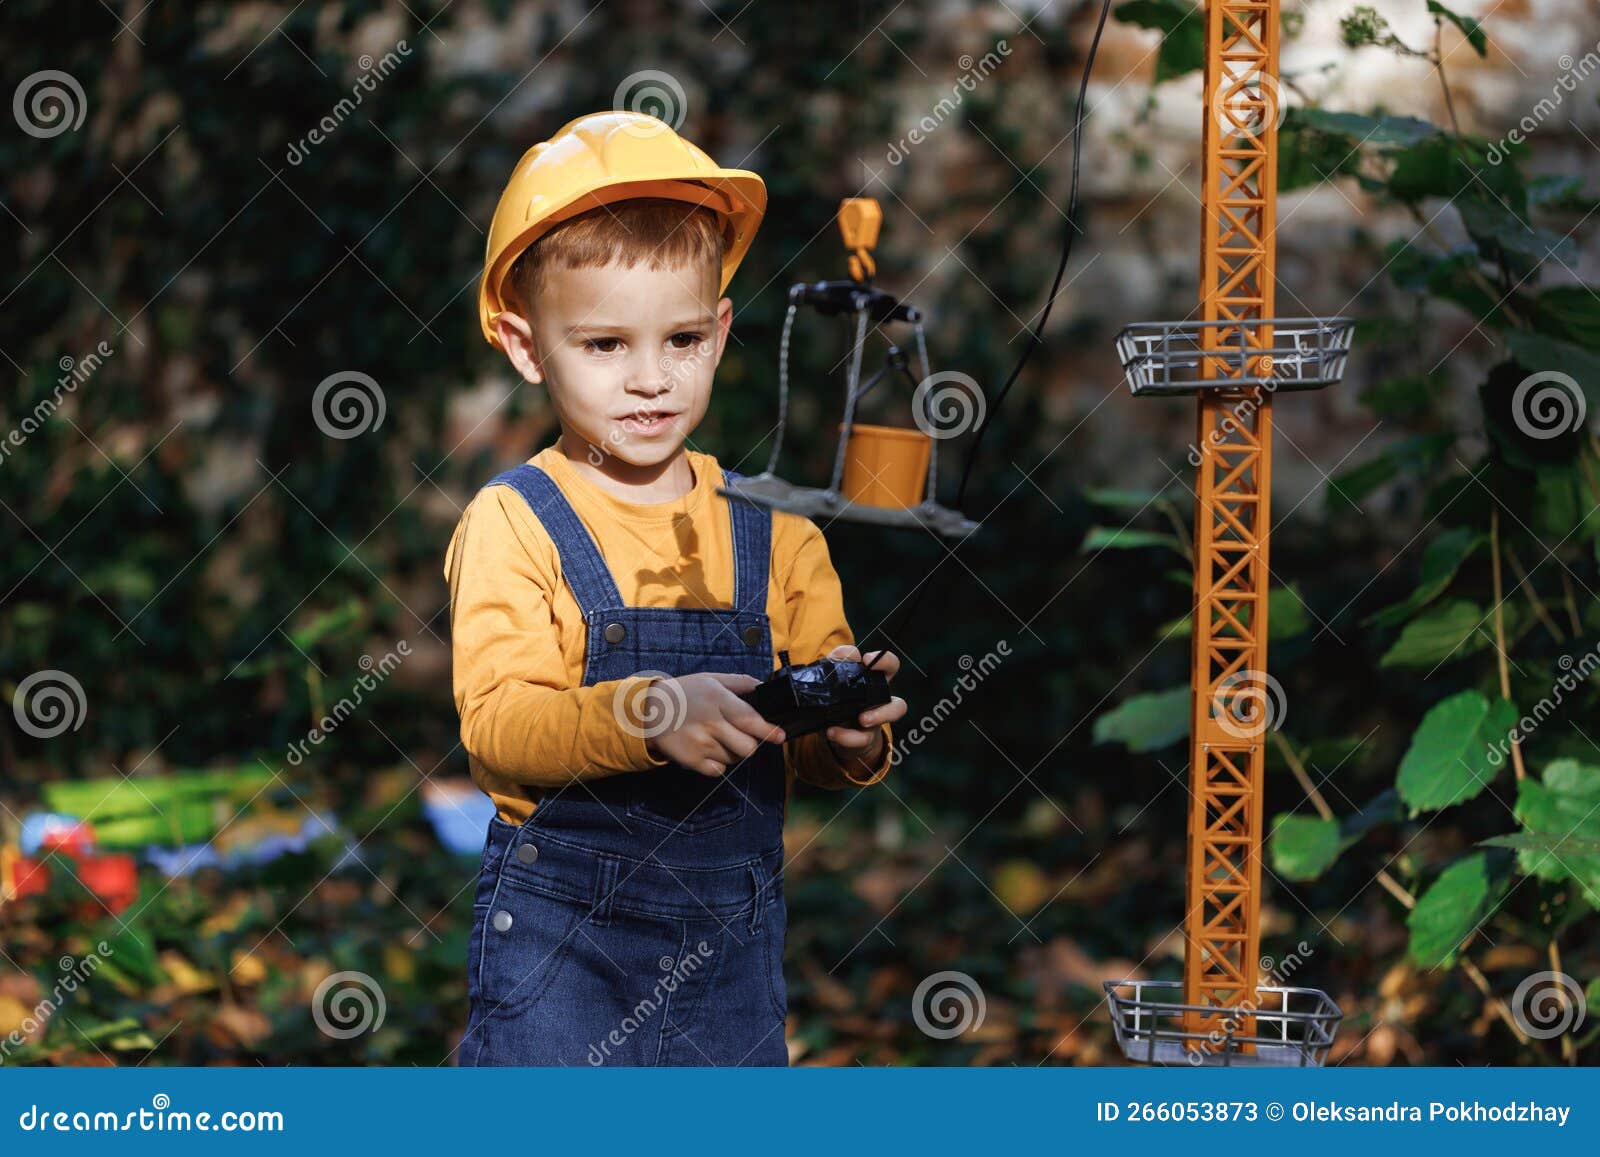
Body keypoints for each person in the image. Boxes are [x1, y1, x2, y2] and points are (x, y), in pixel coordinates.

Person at [445, 110, 906, 1066]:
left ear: (722, 331)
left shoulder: (778, 533)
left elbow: (802, 752)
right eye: (605, 345)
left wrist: (850, 737)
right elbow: (499, 725)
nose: (652, 380)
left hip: (728, 954)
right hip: (561, 943)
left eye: (683, 339)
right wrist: (651, 709)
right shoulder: (515, 520)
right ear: (529, 348)